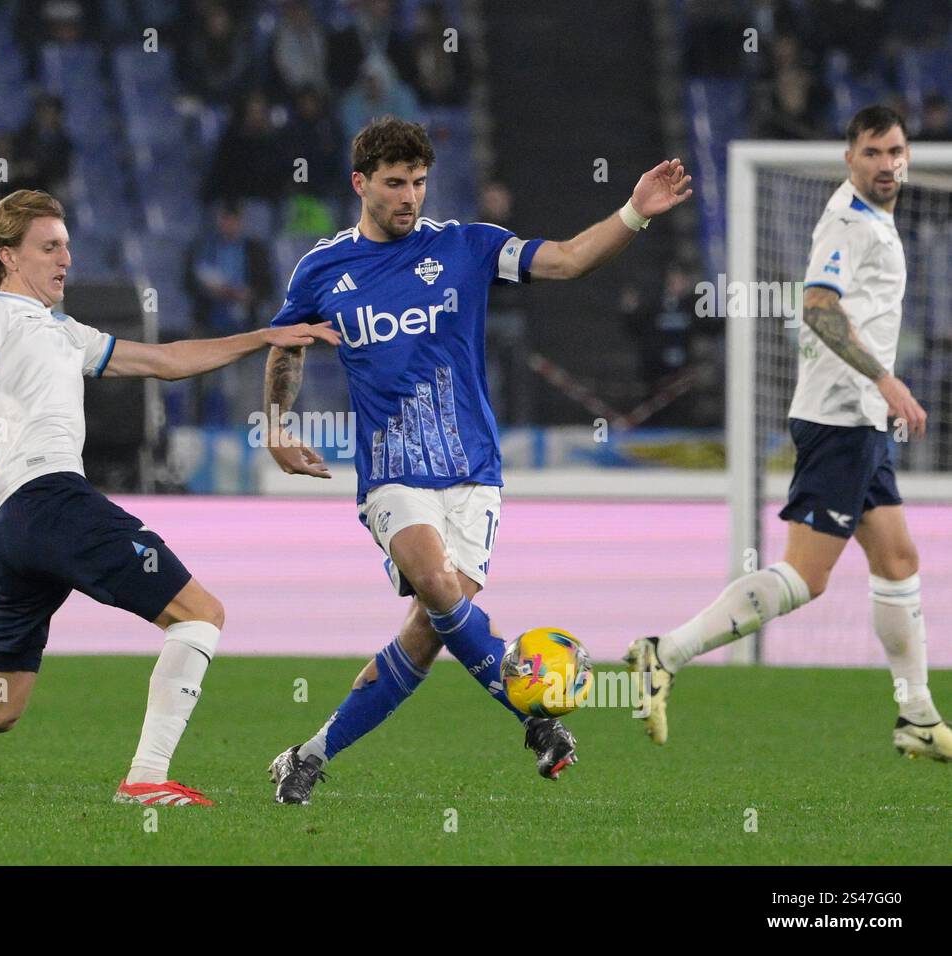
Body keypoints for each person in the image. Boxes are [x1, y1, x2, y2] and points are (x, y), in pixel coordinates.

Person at [0, 189, 339, 806]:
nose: (65, 259)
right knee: (200, 614)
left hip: (9, 527)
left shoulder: (65, 333)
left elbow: (164, 359)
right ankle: (146, 780)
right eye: (50, 247)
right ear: (8, 256)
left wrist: (265, 336)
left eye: (67, 246)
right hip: (50, 499)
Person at [263, 116, 692, 804]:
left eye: (420, 182)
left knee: (428, 635)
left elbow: (568, 259)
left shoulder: (465, 245)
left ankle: (307, 756)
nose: (410, 196)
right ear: (360, 184)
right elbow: (286, 342)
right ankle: (537, 720)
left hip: (475, 475)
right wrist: (278, 424)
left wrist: (634, 211)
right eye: (395, 183)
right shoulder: (323, 269)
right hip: (393, 472)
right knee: (435, 583)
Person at [626, 106, 952, 762]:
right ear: (849, 159)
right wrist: (887, 381)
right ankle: (663, 653)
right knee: (808, 577)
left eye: (895, 152)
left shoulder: (877, 219)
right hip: (842, 417)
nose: (887, 164)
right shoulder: (846, 222)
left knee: (897, 559)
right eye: (873, 153)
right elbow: (818, 308)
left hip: (858, 419)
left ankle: (916, 716)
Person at [183, 198, 277, 423]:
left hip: (245, 327)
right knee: (205, 383)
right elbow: (188, 282)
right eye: (224, 219)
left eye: (233, 220)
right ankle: (200, 429)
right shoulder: (203, 248)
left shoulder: (255, 250)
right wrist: (213, 291)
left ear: (240, 221)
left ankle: (242, 433)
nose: (228, 225)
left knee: (246, 387)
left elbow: (268, 287)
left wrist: (247, 295)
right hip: (210, 326)